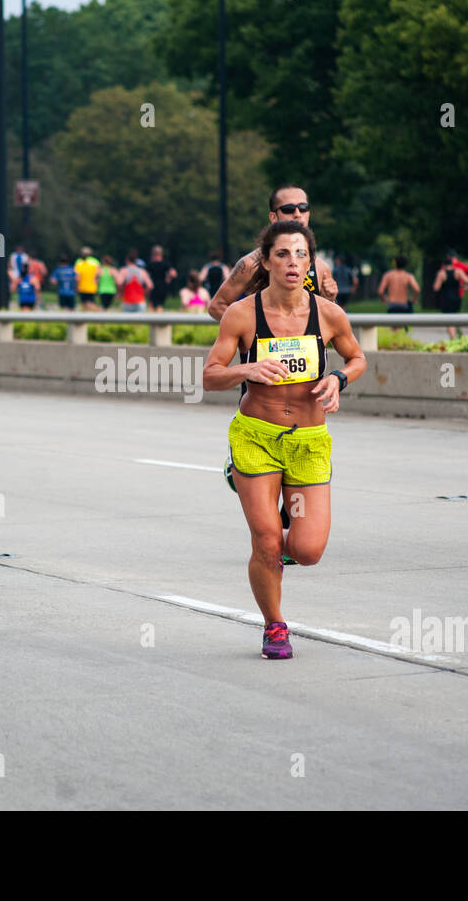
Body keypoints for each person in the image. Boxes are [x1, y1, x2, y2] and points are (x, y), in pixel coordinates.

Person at [202, 220, 366, 660]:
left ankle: (276, 519)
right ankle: (275, 626)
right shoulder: (242, 314)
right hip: (257, 436)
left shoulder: (328, 314)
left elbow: (357, 357)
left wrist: (338, 378)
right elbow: (210, 375)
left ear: (310, 262)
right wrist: (246, 369)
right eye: (282, 254)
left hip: (309, 440)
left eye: (300, 254)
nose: (292, 262)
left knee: (308, 551)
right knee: (268, 541)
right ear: (267, 261)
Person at [206, 184, 339, 322]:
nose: (297, 214)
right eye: (288, 209)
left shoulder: (320, 267)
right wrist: (250, 330)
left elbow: (329, 323)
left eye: (303, 208)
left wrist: (329, 300)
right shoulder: (251, 263)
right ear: (273, 217)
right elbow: (217, 306)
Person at [434, 250, 468, 338]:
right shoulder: (459, 270)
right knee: (456, 316)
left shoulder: (442, 272)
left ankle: (453, 338)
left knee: (448, 320)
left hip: (446, 298)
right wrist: (465, 287)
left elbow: (436, 288)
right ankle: (458, 333)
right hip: (457, 297)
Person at [145, 245, 176, 312]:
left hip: (152, 287)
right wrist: (168, 279)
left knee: (151, 306)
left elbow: (145, 276)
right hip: (162, 287)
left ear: (153, 254)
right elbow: (173, 274)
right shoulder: (166, 264)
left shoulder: (150, 264)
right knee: (159, 306)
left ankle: (153, 321)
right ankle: (160, 321)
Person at [74, 246, 100, 311]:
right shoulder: (95, 262)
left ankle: (100, 313)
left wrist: (76, 286)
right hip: (91, 286)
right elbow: (98, 274)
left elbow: (77, 276)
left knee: (87, 304)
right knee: (86, 304)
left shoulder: (78, 262)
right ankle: (87, 319)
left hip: (82, 286)